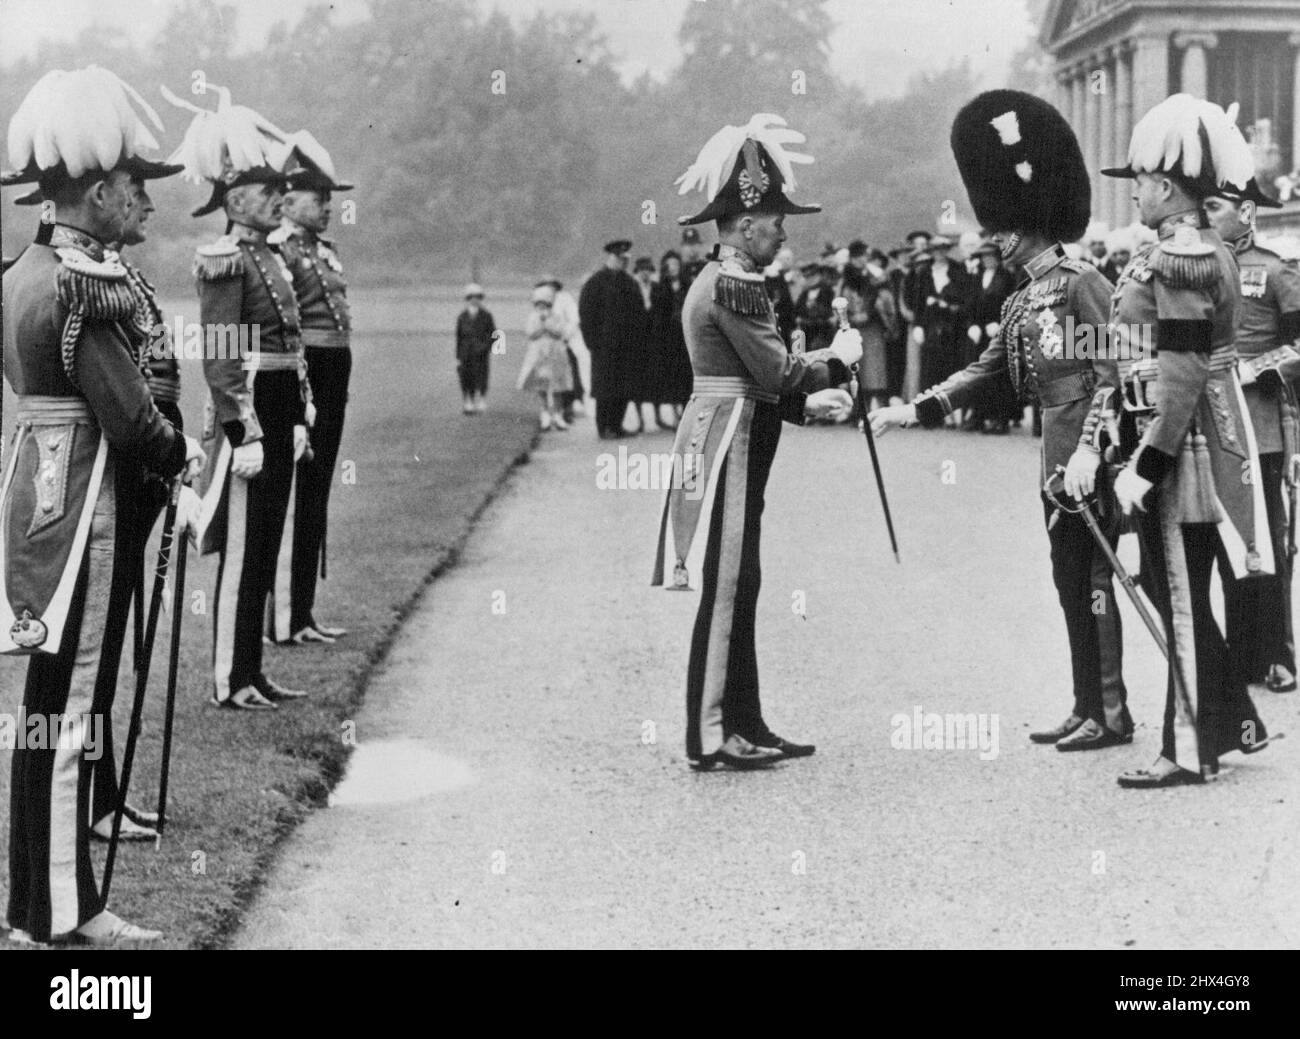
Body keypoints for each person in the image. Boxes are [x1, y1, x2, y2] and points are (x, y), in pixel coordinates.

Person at [1, 66, 204, 946]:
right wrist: (186, 457)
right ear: (94, 189)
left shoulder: (24, 269)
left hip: (41, 496)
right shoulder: (81, 280)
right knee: (74, 703)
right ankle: (59, 914)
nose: (147, 202)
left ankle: (39, 904)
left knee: (49, 705)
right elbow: (129, 416)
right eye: (135, 185)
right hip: (90, 505)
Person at [871, 89, 1132, 754]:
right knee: (1067, 574)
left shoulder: (1081, 283)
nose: (991, 236)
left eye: (999, 226)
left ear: (1026, 223)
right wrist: (916, 407)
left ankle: (1111, 708)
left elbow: (1115, 369)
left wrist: (1091, 450)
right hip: (1053, 450)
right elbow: (987, 371)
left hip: (1085, 454)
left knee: (1095, 575)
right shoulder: (1024, 297)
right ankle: (1085, 703)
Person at [652, 114, 859, 771]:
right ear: (746, 225)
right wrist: (841, 360)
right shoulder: (735, 283)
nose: (783, 230)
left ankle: (744, 719)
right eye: (776, 219)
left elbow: (762, 376)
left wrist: (807, 401)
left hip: (734, 427)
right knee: (729, 584)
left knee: (742, 578)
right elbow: (775, 371)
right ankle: (711, 731)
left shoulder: (727, 281)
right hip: (731, 440)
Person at [1103, 94, 1275, 788]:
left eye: (1141, 180)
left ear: (1168, 186)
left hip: (1186, 444)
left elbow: (1180, 371)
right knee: (1176, 585)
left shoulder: (1181, 254)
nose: (1137, 192)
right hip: (1197, 433)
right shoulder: (1191, 249)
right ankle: (1230, 716)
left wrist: (1147, 460)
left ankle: (1186, 748)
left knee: (1178, 587)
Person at [165, 84, 311, 711]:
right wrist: (242, 431)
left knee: (267, 542)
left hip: (279, 402)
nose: (280, 197)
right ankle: (230, 676)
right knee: (245, 550)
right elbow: (222, 356)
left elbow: (292, 343)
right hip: (248, 411)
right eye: (268, 190)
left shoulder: (270, 258)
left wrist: (302, 411)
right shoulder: (226, 259)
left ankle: (252, 669)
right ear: (236, 198)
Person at [1204, 176, 1300, 694]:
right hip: (1210, 428)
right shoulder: (1195, 266)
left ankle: (1279, 655)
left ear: (1245, 210)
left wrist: (1257, 368)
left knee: (1269, 543)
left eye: (1214, 206)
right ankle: (1243, 655)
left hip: (1260, 425)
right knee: (1225, 543)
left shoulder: (1274, 268)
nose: (1205, 216)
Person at [265, 144, 355, 646]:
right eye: (316, 196)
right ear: (289, 198)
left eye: (329, 196)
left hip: (333, 372)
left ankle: (302, 612)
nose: (327, 205)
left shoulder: (325, 249)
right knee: (292, 493)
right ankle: (284, 616)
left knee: (316, 493)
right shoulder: (281, 249)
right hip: (305, 373)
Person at [579, 239, 641, 439]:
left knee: (623, 387)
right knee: (604, 389)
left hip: (626, 346)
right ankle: (603, 426)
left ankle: (616, 425)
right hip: (603, 347)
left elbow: (638, 314)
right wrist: (592, 343)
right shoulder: (595, 283)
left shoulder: (630, 283)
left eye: (625, 259)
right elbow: (586, 315)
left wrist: (635, 341)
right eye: (619, 258)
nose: (622, 262)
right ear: (610, 257)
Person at [965, 235, 1018, 433]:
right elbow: (969, 304)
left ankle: (1000, 419)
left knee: (999, 375)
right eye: (984, 257)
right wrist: (972, 325)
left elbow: (1012, 303)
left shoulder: (1007, 277)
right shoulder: (976, 277)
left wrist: (1000, 323)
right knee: (979, 372)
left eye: (991, 256)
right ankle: (978, 416)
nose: (987, 260)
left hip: (998, 331)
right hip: (979, 334)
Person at [518, 284, 574, 430]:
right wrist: (541, 328)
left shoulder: (556, 316)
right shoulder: (533, 317)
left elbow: (559, 333)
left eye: (545, 304)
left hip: (554, 351)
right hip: (539, 352)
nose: (542, 308)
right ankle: (545, 414)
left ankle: (557, 414)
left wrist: (548, 327)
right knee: (541, 384)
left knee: (557, 385)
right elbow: (531, 334)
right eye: (539, 304)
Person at [652, 251, 693, 425]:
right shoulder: (661, 287)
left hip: (686, 337)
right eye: (669, 266)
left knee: (687, 374)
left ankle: (685, 410)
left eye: (676, 265)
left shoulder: (688, 285)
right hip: (669, 338)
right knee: (672, 375)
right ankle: (675, 412)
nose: (673, 269)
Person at [537, 276, 586, 422]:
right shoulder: (541, 301)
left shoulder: (564, 299)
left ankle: (569, 406)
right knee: (543, 376)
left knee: (568, 374)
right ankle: (547, 409)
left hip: (563, 342)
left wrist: (565, 336)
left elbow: (574, 319)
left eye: (551, 286)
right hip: (545, 344)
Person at [628, 255, 658, 432]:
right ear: (637, 272)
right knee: (637, 382)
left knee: (654, 379)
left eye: (648, 270)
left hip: (652, 340)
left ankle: (655, 417)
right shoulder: (631, 288)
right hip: (636, 340)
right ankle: (640, 419)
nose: (645, 273)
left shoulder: (656, 288)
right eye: (642, 270)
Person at [455, 284, 494, 414]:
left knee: (482, 376)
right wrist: (458, 355)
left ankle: (482, 399)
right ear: (467, 298)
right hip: (466, 352)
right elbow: (459, 336)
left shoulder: (486, 316)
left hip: (481, 352)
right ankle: (469, 401)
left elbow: (493, 334)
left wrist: (485, 346)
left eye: (477, 297)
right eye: (471, 297)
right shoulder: (462, 316)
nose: (474, 299)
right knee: (466, 377)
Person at [794, 261, 836, 352]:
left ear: (819, 276)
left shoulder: (828, 292)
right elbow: (798, 311)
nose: (810, 279)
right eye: (807, 277)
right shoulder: (803, 295)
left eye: (813, 276)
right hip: (807, 333)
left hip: (824, 333)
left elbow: (829, 312)